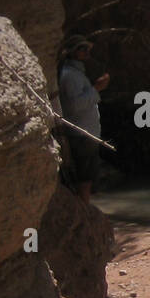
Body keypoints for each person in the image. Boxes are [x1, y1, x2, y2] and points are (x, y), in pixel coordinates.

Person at [56, 34, 109, 203]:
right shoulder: (70, 75)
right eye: (82, 48)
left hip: (86, 132)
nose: (87, 52)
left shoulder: (77, 73)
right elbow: (73, 105)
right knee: (84, 175)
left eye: (87, 48)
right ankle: (84, 208)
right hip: (80, 133)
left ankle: (85, 207)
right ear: (72, 52)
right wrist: (96, 89)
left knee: (89, 174)